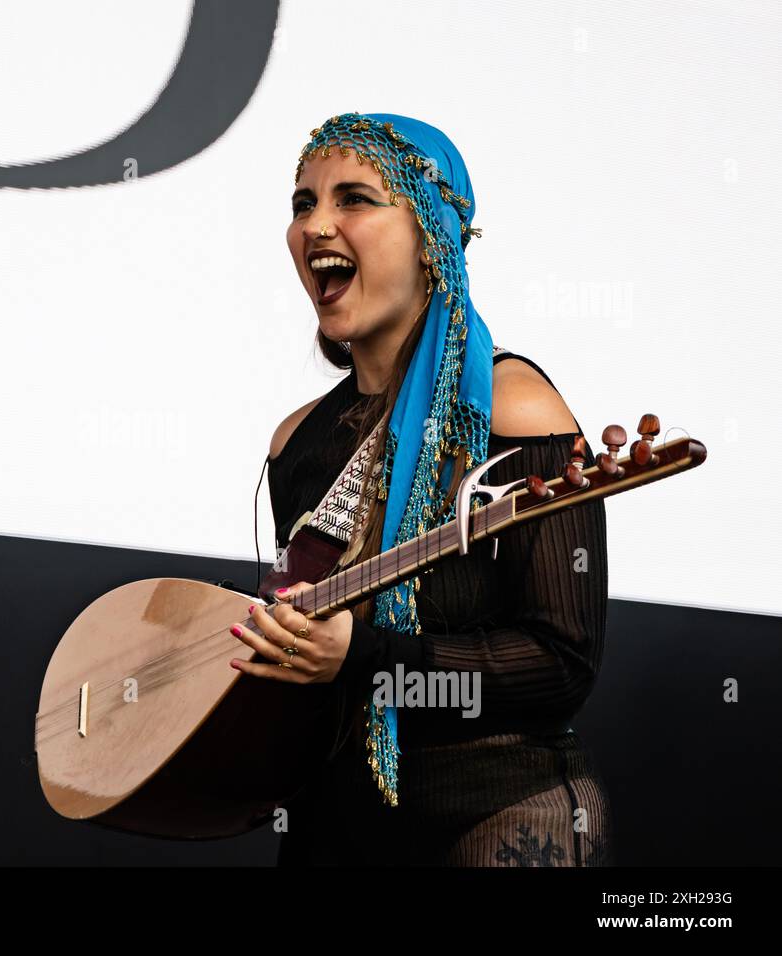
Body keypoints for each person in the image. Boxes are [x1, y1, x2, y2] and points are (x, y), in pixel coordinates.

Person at [228, 113, 612, 866]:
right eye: (303, 204)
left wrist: (362, 654)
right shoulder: (296, 443)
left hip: (497, 813)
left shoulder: (513, 407)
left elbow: (562, 662)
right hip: (332, 825)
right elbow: (307, 665)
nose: (317, 225)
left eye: (355, 199)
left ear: (432, 232)